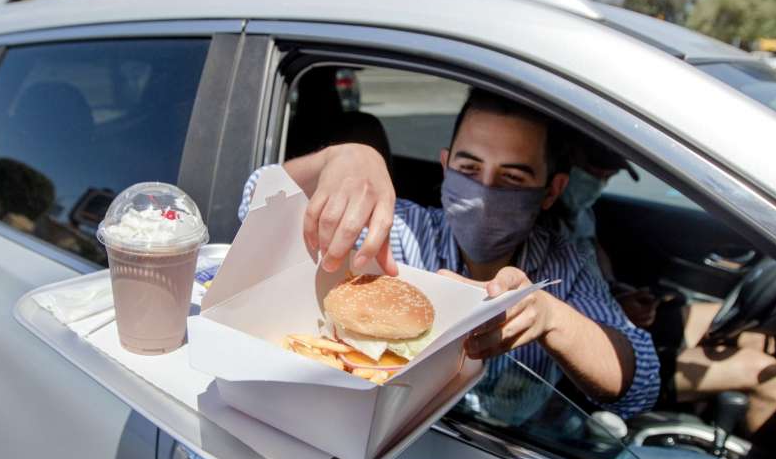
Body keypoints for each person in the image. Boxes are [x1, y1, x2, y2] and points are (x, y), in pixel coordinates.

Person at [239, 88, 660, 418]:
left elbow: (638, 382)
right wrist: (339, 158)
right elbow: (252, 206)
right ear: (445, 166)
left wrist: (548, 317)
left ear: (551, 191)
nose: (484, 192)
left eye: (512, 178)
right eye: (469, 170)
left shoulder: (565, 265)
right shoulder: (400, 234)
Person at [561, 139, 776, 437]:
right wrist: (616, 311)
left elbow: (600, 272)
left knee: (746, 333)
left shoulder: (581, 215)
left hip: (626, 324)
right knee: (764, 374)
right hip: (611, 356)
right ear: (563, 160)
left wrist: (622, 295)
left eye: (608, 176)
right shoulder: (542, 228)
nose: (600, 183)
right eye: (595, 171)